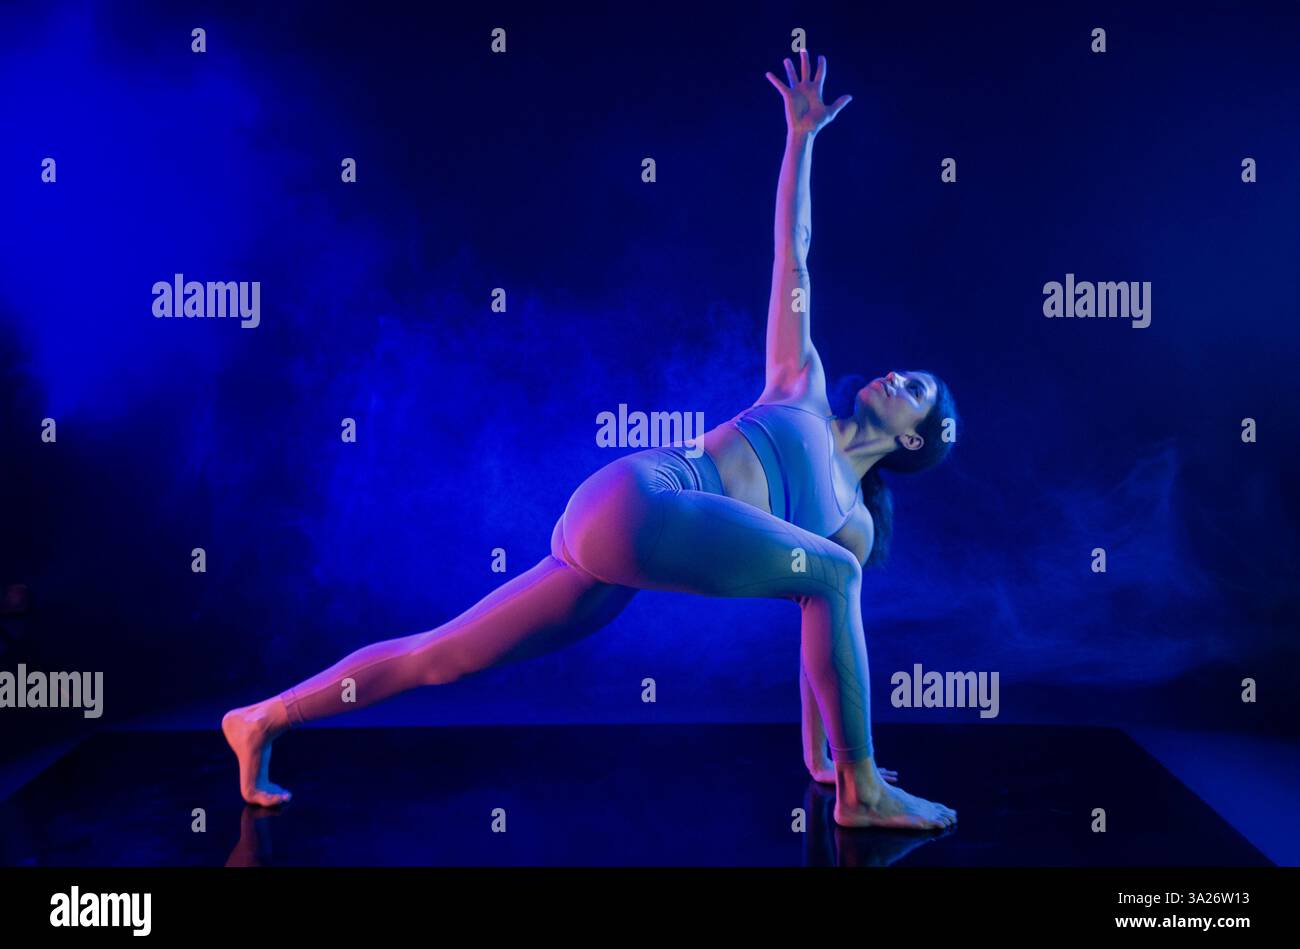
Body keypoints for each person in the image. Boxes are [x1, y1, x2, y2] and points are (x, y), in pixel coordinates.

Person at [223, 50, 960, 829]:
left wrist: (819, 748)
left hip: (613, 554)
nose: (894, 379)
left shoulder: (853, 523)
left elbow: (823, 627)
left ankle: (263, 718)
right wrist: (800, 138)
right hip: (641, 498)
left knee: (441, 655)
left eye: (916, 391)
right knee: (833, 575)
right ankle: (863, 793)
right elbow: (793, 253)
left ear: (916, 442)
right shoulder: (799, 384)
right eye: (903, 373)